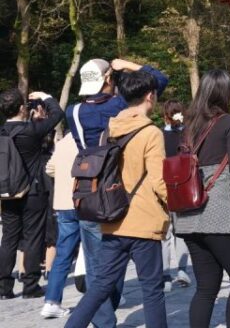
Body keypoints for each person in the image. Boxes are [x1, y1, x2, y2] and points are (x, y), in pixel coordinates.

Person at [66, 57, 168, 326]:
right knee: (152, 290)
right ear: (150, 96)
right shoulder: (149, 131)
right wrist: (129, 65)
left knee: (98, 285)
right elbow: (159, 182)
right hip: (143, 218)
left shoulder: (94, 121)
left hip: (107, 211)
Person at [173, 70, 230, 328]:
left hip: (187, 215)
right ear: (223, 91)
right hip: (216, 212)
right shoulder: (229, 121)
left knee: (206, 287)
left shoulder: (189, 124)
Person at [0, 89, 64, 299]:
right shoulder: (32, 130)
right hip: (33, 191)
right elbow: (57, 114)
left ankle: (4, 287)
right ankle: (30, 285)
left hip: (8, 192)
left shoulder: (2, 132)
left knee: (8, 238)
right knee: (33, 237)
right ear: (22, 108)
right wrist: (46, 96)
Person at [40, 128, 80, 318]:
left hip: (64, 203)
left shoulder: (63, 142)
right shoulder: (91, 138)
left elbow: (49, 168)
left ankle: (52, 301)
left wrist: (64, 176)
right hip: (86, 203)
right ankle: (108, 297)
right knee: (98, 253)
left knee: (63, 254)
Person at [160, 100, 192, 292]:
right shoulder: (188, 134)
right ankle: (182, 270)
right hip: (183, 186)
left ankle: (165, 276)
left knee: (165, 233)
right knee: (181, 231)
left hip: (164, 186)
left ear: (165, 115)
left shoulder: (159, 135)